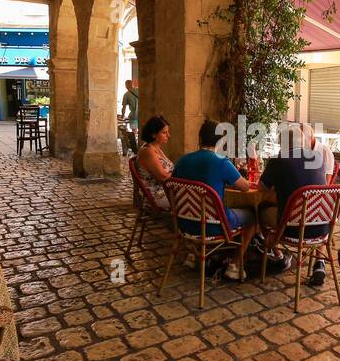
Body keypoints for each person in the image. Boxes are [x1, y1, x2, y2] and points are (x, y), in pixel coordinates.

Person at [173, 119, 255, 280]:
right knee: (252, 215)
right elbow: (245, 187)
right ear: (220, 140)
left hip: (184, 224)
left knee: (198, 207)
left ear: (200, 138)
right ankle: (235, 265)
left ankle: (192, 254)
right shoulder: (221, 162)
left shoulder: (182, 161)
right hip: (213, 227)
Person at [258, 123, 329, 285]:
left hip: (292, 228)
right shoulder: (318, 159)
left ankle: (278, 254)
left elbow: (261, 188)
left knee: (260, 209)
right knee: (316, 210)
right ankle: (319, 263)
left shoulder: (278, 160)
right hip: (322, 227)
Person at [136, 114, 173, 209]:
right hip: (156, 195)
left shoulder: (157, 148)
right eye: (164, 133)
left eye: (168, 132)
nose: (168, 136)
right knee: (192, 199)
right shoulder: (147, 151)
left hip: (166, 190)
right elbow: (163, 176)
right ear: (154, 134)